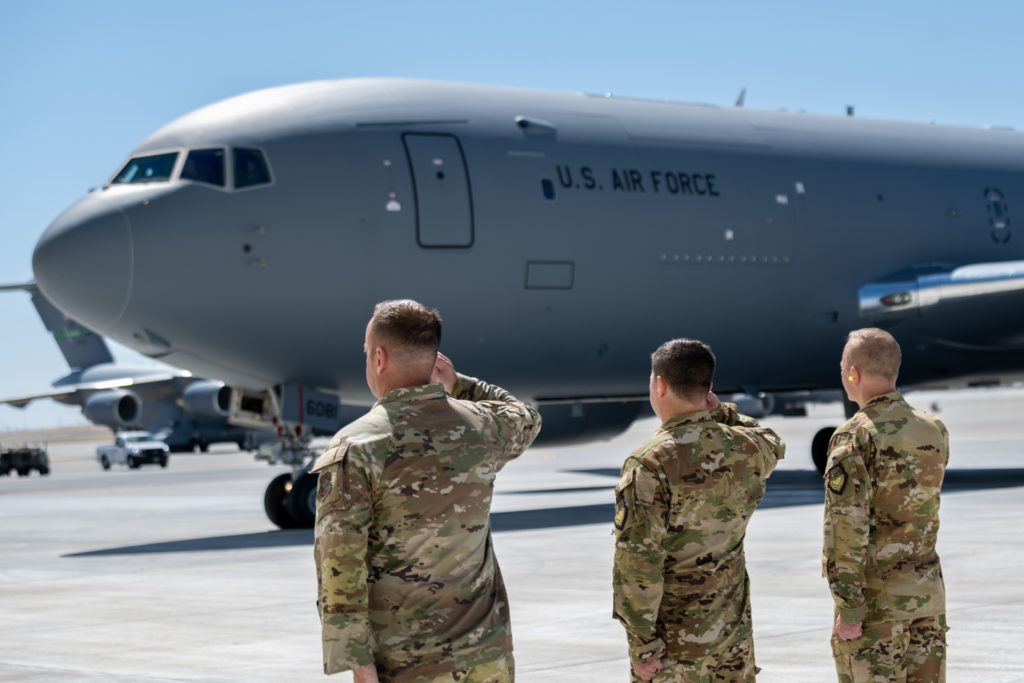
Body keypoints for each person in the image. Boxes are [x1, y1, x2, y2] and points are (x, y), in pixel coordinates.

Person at [311, 299, 542, 682]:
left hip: (408, 666)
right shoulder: (480, 426)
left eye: (367, 352)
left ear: (379, 359)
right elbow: (525, 416)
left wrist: (359, 666)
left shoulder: (357, 446)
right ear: (434, 360)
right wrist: (459, 384)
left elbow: (339, 567)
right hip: (487, 659)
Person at [613, 338, 785, 682]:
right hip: (732, 638)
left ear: (660, 385)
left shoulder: (649, 463)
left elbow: (638, 563)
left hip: (676, 648)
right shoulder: (746, 447)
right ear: (708, 388)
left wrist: (643, 647)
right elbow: (772, 439)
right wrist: (721, 412)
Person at [824, 328, 949, 682]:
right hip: (927, 598)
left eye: (843, 367)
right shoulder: (933, 429)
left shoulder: (855, 435)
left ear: (853, 374)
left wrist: (850, 608)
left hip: (877, 609)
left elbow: (845, 529)